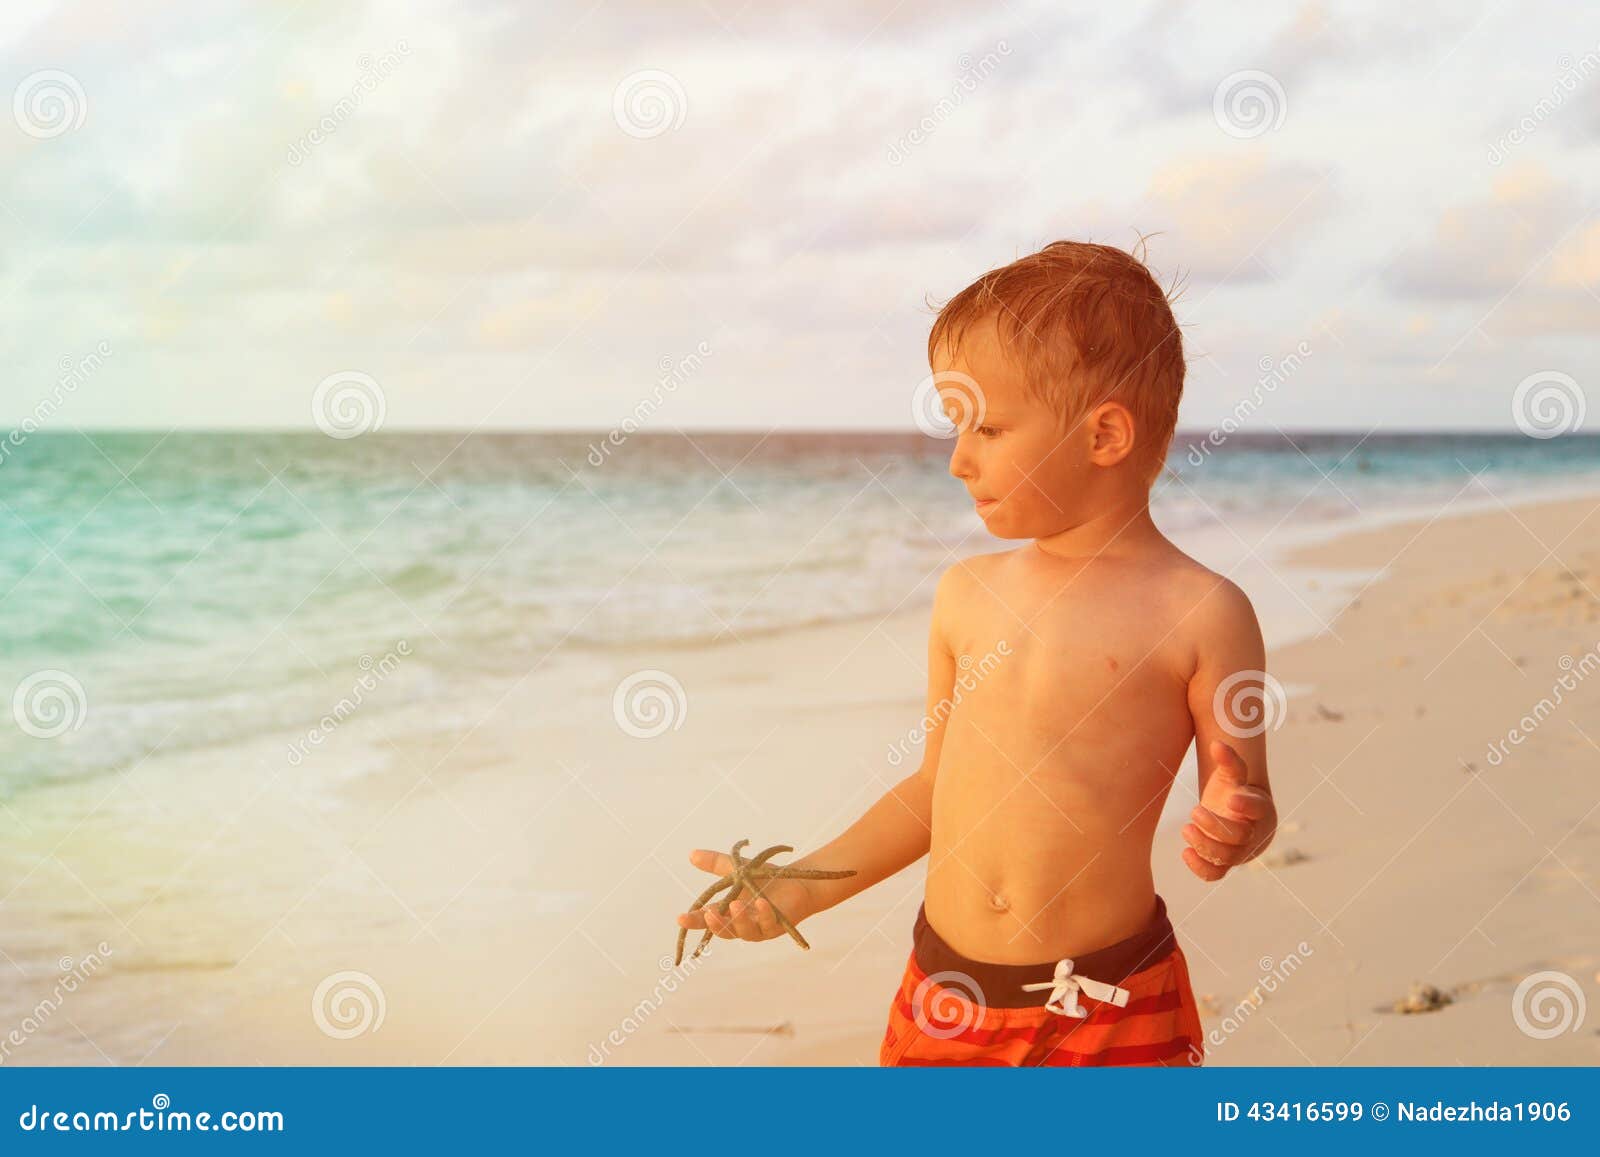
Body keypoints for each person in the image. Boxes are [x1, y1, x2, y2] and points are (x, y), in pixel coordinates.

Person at [676, 239, 1278, 1066]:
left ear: (1103, 434)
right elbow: (934, 789)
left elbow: (1244, 795)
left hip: (1112, 1002)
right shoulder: (967, 593)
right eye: (959, 427)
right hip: (945, 993)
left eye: (989, 428)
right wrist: (801, 885)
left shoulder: (1203, 612)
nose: (960, 460)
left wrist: (1233, 826)